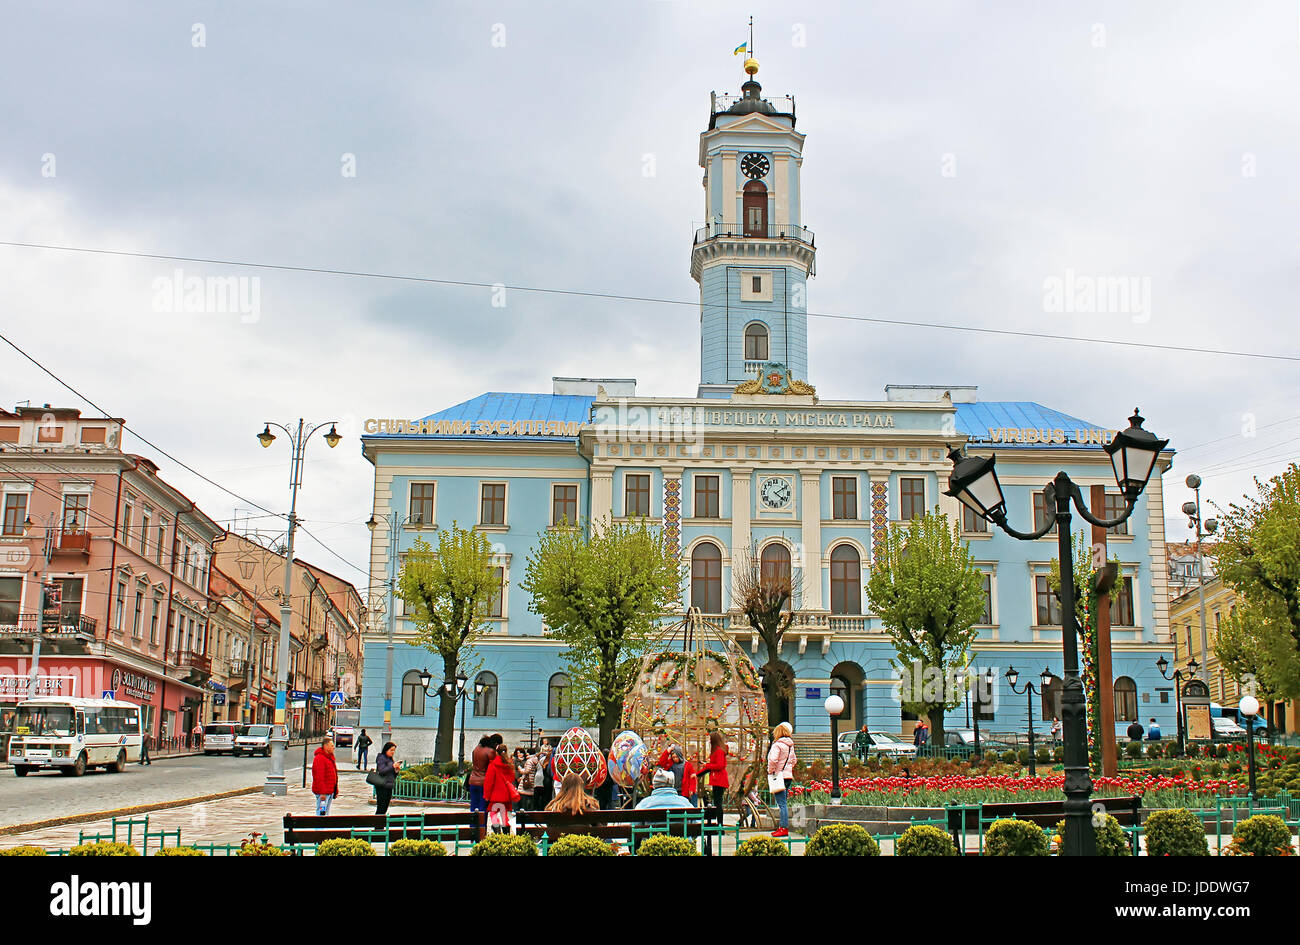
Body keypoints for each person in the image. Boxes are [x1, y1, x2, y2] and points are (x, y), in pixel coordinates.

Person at [696, 732, 730, 854]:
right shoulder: (718, 750)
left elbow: (719, 765)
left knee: (718, 803)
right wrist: (699, 773)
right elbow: (711, 766)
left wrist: (707, 765)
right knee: (717, 802)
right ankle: (718, 824)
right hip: (717, 779)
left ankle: (720, 825)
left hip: (719, 779)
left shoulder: (719, 751)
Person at [767, 722, 797, 838]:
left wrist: (771, 771)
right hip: (788, 776)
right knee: (784, 802)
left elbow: (773, 760)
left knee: (782, 804)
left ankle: (783, 827)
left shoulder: (777, 745)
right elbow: (794, 760)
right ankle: (782, 827)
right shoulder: (790, 745)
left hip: (778, 776)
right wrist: (788, 769)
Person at [483, 743, 520, 832]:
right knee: (504, 814)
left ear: (497, 752)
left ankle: (496, 828)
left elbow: (489, 782)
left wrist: (486, 795)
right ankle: (506, 830)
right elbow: (512, 778)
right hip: (506, 795)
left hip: (495, 795)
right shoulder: (509, 764)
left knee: (493, 813)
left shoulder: (493, 765)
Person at [311, 738, 339, 816]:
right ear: (326, 746)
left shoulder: (329, 757)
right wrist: (322, 793)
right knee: (321, 812)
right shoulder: (320, 758)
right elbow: (319, 777)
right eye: (332, 745)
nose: (334, 747)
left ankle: (324, 826)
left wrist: (335, 790)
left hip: (329, 791)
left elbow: (333, 775)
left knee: (326, 812)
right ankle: (319, 827)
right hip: (323, 793)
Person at [468, 735, 494, 813]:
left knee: (473, 805)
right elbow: (493, 765)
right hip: (484, 781)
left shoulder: (475, 750)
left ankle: (473, 824)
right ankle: (482, 824)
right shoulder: (489, 751)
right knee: (483, 807)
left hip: (473, 779)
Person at [374, 741, 400, 816]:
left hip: (389, 785)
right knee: (381, 808)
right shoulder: (381, 758)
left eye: (394, 750)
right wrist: (392, 766)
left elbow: (392, 774)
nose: (393, 752)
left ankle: (381, 825)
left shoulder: (390, 759)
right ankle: (378, 825)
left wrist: (396, 771)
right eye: (391, 750)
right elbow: (381, 770)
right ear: (386, 749)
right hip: (382, 785)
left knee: (385, 807)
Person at [532, 739, 554, 810]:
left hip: (540, 778)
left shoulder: (541, 760)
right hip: (546, 779)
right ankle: (544, 808)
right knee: (546, 795)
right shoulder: (549, 759)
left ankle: (537, 808)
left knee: (538, 795)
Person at [514, 747, 534, 811]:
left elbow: (526, 770)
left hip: (525, 779)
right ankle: (517, 808)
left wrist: (521, 771)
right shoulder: (515, 761)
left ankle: (523, 807)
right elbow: (515, 770)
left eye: (520, 753)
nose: (519, 754)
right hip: (518, 779)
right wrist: (517, 777)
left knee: (524, 793)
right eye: (518, 753)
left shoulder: (527, 761)